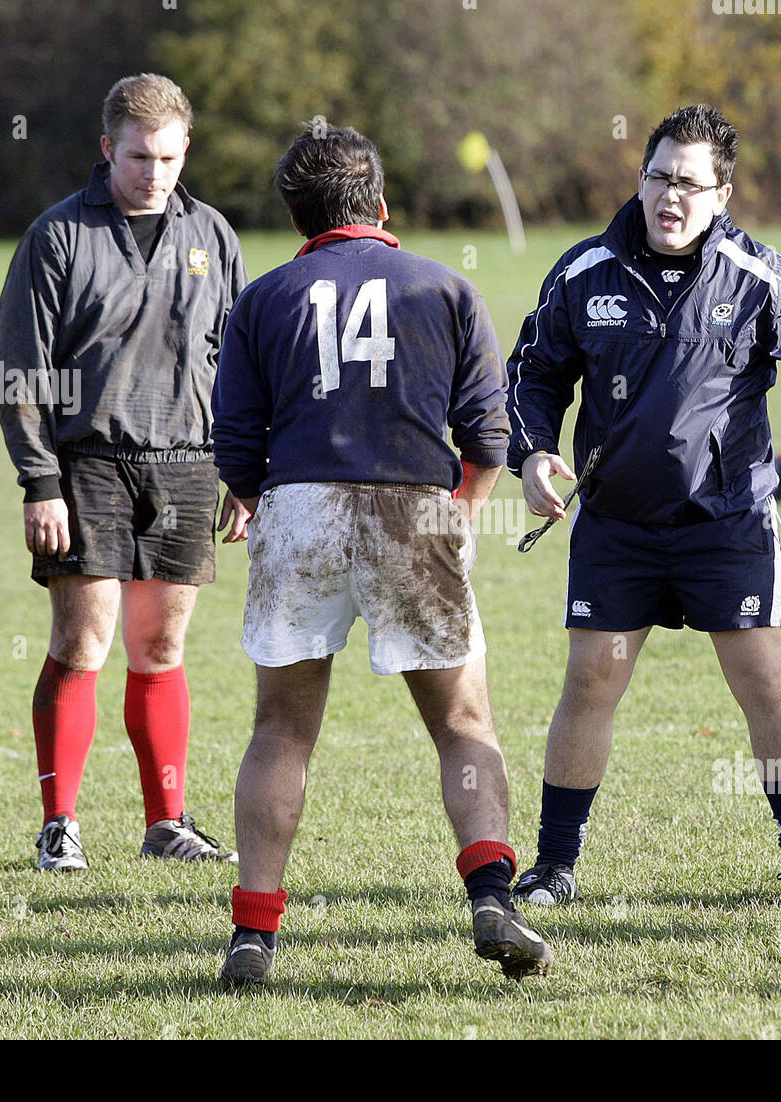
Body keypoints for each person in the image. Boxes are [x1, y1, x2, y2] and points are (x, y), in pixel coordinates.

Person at [506, 104, 781, 907]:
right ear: (640, 179)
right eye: (659, 177)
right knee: (590, 683)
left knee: (764, 681)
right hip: (616, 523)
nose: (670, 196)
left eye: (689, 183)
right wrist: (532, 451)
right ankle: (554, 866)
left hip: (727, 522)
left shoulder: (757, 277)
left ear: (722, 193)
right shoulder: (582, 272)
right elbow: (532, 372)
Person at [210, 123, 552, 986]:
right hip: (413, 508)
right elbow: (487, 433)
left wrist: (260, 495)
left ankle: (254, 934)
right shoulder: (444, 287)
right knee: (464, 726)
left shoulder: (262, 299)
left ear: (298, 220)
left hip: (299, 507)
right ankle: (491, 897)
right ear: (383, 205)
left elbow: (238, 448)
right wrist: (462, 513)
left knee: (280, 730)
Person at [0, 73, 249, 871]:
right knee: (81, 644)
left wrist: (243, 473)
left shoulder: (214, 235)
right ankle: (59, 825)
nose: (155, 173)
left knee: (162, 648)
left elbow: (239, 367)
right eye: (139, 156)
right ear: (108, 149)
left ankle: (166, 822)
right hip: (87, 466)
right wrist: (40, 481)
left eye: (170, 157)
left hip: (185, 467)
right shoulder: (58, 236)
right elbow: (20, 371)